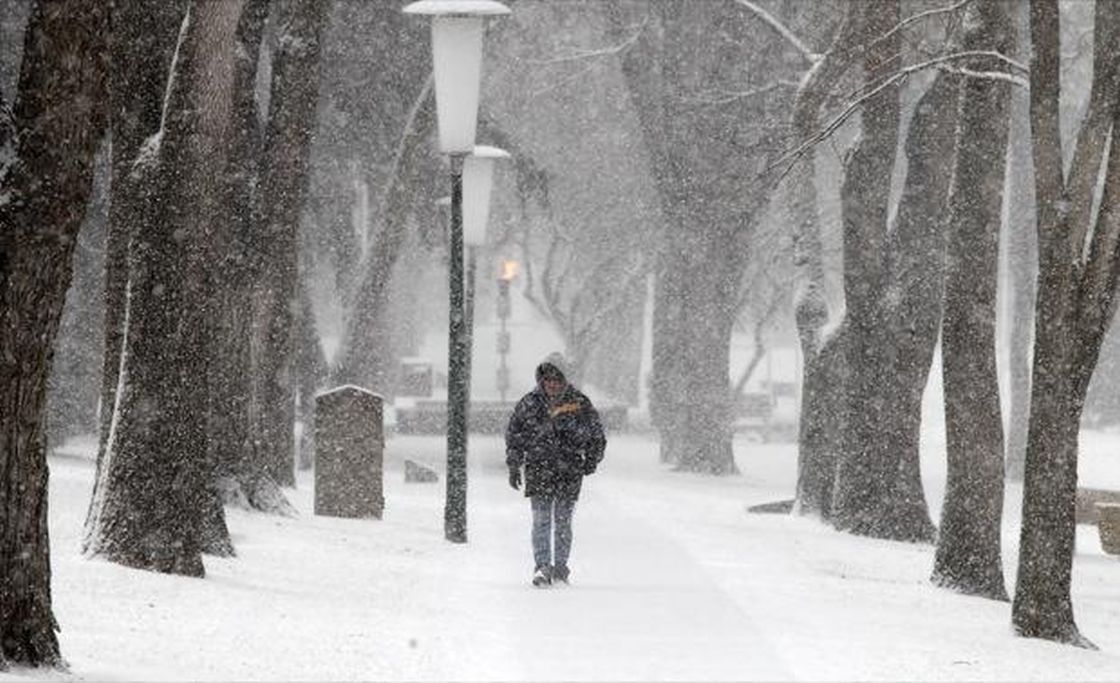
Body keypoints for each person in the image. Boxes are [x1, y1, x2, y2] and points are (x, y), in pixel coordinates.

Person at [505, 353, 606, 587]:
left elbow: (596, 435)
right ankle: (542, 566)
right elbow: (515, 435)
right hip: (539, 469)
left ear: (564, 380)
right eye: (548, 379)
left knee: (562, 521)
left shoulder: (580, 404)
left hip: (569, 470)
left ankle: (560, 568)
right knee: (541, 520)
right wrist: (514, 463)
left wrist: (592, 458)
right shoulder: (528, 404)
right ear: (541, 379)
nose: (552, 384)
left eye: (557, 379)